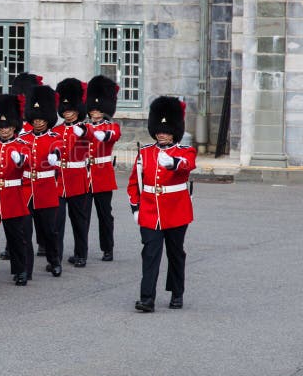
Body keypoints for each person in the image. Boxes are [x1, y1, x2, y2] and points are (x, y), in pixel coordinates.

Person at [128, 97, 196, 312]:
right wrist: (135, 208)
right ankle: (147, 298)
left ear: (174, 131)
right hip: (149, 211)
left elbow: (188, 165)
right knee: (149, 254)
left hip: (176, 210)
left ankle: (177, 293)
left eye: (166, 130)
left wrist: (174, 163)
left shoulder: (184, 152)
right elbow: (134, 184)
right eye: (159, 130)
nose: (162, 133)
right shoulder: (145, 153)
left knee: (175, 253)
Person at [20, 85, 63, 278]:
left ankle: (54, 261)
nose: (38, 123)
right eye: (35, 119)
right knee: (25, 232)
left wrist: (56, 156)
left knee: (49, 231)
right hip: (26, 189)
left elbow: (59, 148)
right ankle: (25, 269)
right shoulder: (23, 138)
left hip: (45, 189)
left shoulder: (55, 137)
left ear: (48, 120)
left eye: (41, 119)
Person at [0, 72, 43, 261]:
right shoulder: (16, 126)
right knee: (15, 215)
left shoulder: (37, 123)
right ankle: (12, 247)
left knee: (41, 217)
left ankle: (43, 245)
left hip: (38, 176)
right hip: (19, 179)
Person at [0, 94, 32, 285]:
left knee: (16, 237)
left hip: (12, 195)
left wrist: (20, 161)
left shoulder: (22, 145)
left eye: (7, 126)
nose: (4, 130)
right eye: (1, 127)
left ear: (14, 126)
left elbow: (28, 161)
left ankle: (20, 270)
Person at [53, 78, 92, 268]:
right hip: (60, 181)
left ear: (78, 110)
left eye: (71, 110)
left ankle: (81, 254)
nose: (68, 114)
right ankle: (56, 258)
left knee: (79, 222)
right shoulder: (57, 130)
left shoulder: (85, 129)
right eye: (65, 110)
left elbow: (92, 137)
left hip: (77, 180)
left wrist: (83, 132)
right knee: (57, 223)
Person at [85, 75, 122, 262]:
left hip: (102, 175)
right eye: (92, 108)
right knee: (82, 217)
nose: (95, 112)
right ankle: (80, 251)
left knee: (104, 215)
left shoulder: (111, 126)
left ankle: (108, 248)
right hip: (84, 175)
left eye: (99, 109)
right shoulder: (82, 126)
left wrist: (98, 133)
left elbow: (112, 135)